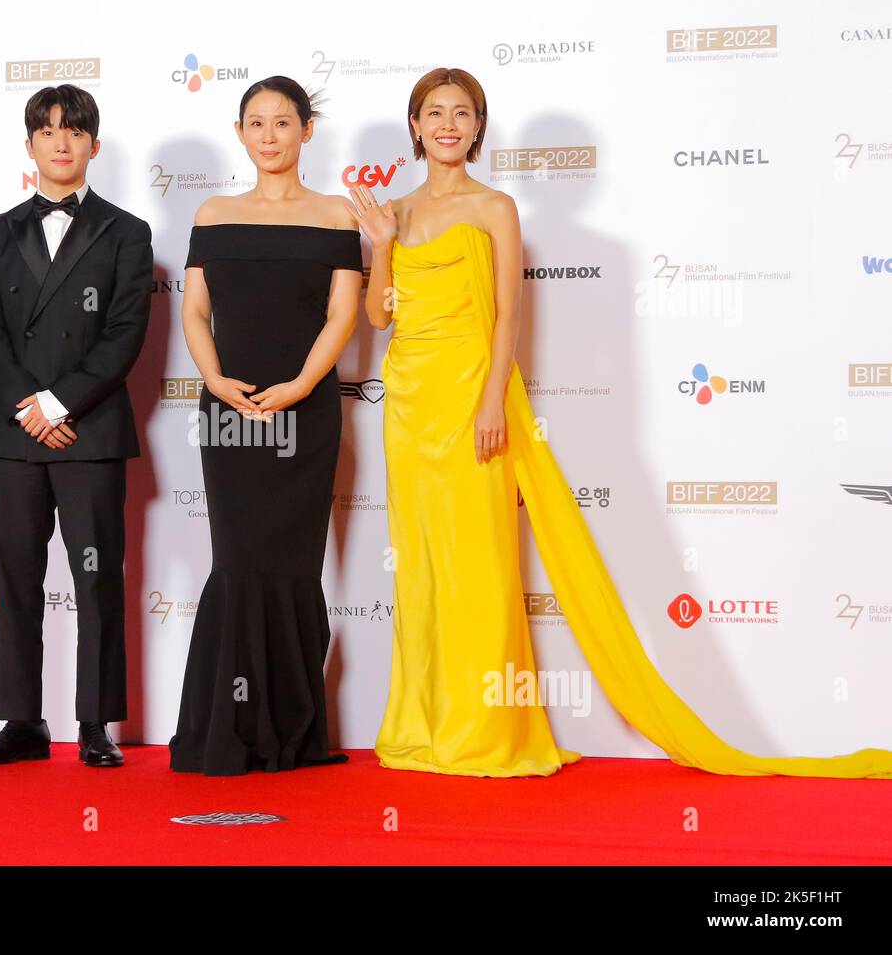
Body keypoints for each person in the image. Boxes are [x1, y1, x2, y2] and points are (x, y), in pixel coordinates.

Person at [351, 67, 892, 778]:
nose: (448, 123)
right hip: (410, 409)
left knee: (477, 566)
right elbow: (378, 317)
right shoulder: (397, 212)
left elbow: (510, 316)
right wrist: (382, 244)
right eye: (434, 112)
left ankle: (479, 734)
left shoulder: (496, 208)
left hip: (470, 402)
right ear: (415, 125)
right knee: (419, 569)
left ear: (478, 127)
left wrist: (491, 403)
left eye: (462, 112)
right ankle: (419, 728)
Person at [168, 77, 362, 775]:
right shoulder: (214, 212)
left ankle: (293, 734)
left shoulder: (338, 216)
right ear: (241, 132)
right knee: (238, 561)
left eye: (285, 122)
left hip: (305, 415)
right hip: (231, 413)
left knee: (292, 566)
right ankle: (226, 731)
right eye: (257, 122)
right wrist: (216, 380)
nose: (271, 134)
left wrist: (303, 385)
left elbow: (343, 315)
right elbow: (194, 311)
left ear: (307, 131)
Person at [0, 84, 152, 768]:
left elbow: (125, 332)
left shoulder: (128, 232)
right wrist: (29, 406)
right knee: (16, 576)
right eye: (47, 131)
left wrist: (60, 404)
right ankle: (21, 721)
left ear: (94, 145)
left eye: (74, 131)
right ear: (29, 146)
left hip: (90, 430)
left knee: (96, 576)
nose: (61, 142)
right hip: (15, 433)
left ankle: (96, 722)